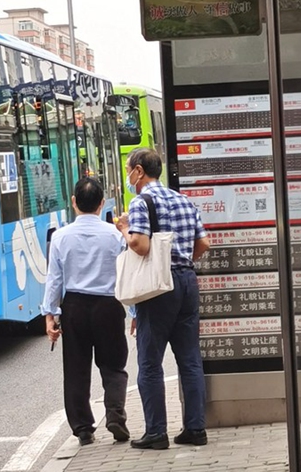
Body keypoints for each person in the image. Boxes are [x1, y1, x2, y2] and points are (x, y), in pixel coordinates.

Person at [115, 147, 211, 450]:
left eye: (130, 168)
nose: (129, 175)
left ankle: (156, 432)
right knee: (190, 360)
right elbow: (203, 244)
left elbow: (140, 246)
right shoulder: (184, 200)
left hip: (159, 288)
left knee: (151, 362)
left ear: (140, 171)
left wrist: (124, 229)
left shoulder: (141, 202)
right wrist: (182, 262)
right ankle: (195, 429)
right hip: (186, 281)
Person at [42, 177, 130, 447]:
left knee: (76, 369)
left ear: (73, 202)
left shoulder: (60, 237)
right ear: (102, 203)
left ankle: (83, 428)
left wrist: (50, 314)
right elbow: (126, 275)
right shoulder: (116, 236)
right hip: (108, 305)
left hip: (75, 307)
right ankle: (115, 415)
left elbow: (54, 279)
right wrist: (135, 311)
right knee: (114, 366)